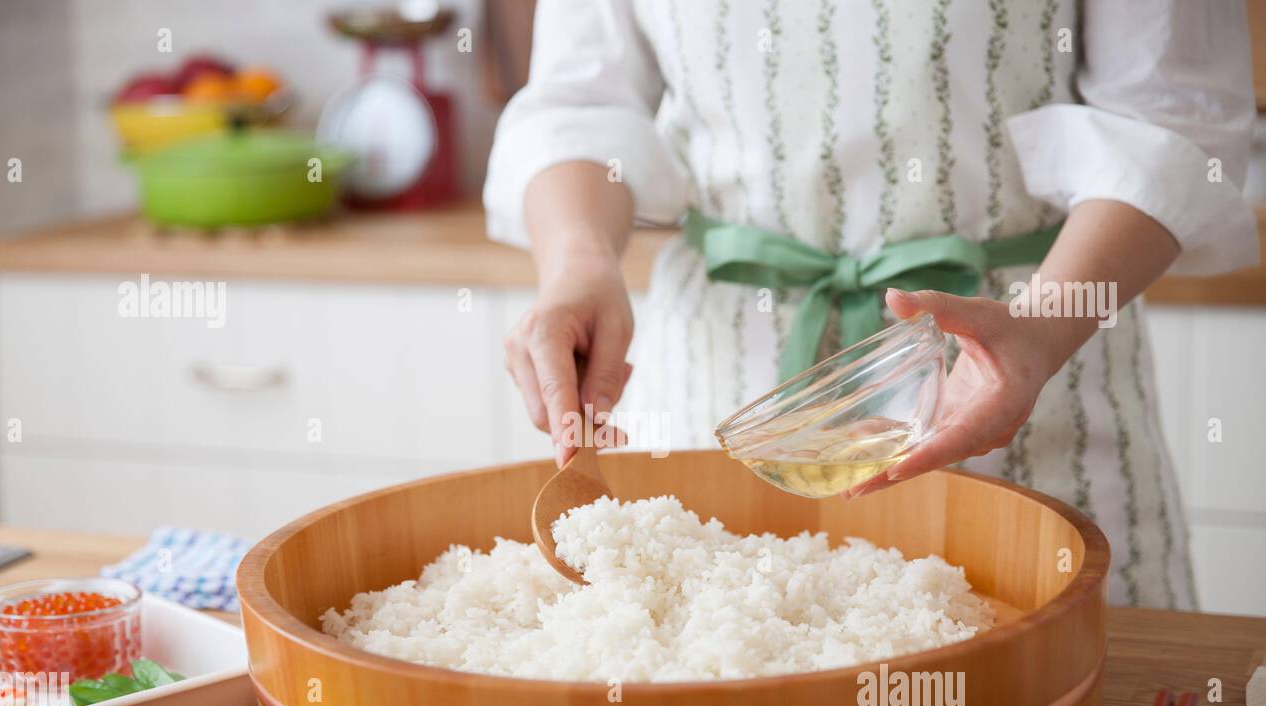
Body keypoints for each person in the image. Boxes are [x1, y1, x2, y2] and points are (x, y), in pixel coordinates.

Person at [483, 0, 1258, 610]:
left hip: (1026, 366)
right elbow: (579, 102)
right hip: (722, 385)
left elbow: (1173, 115)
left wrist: (1042, 327)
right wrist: (579, 264)